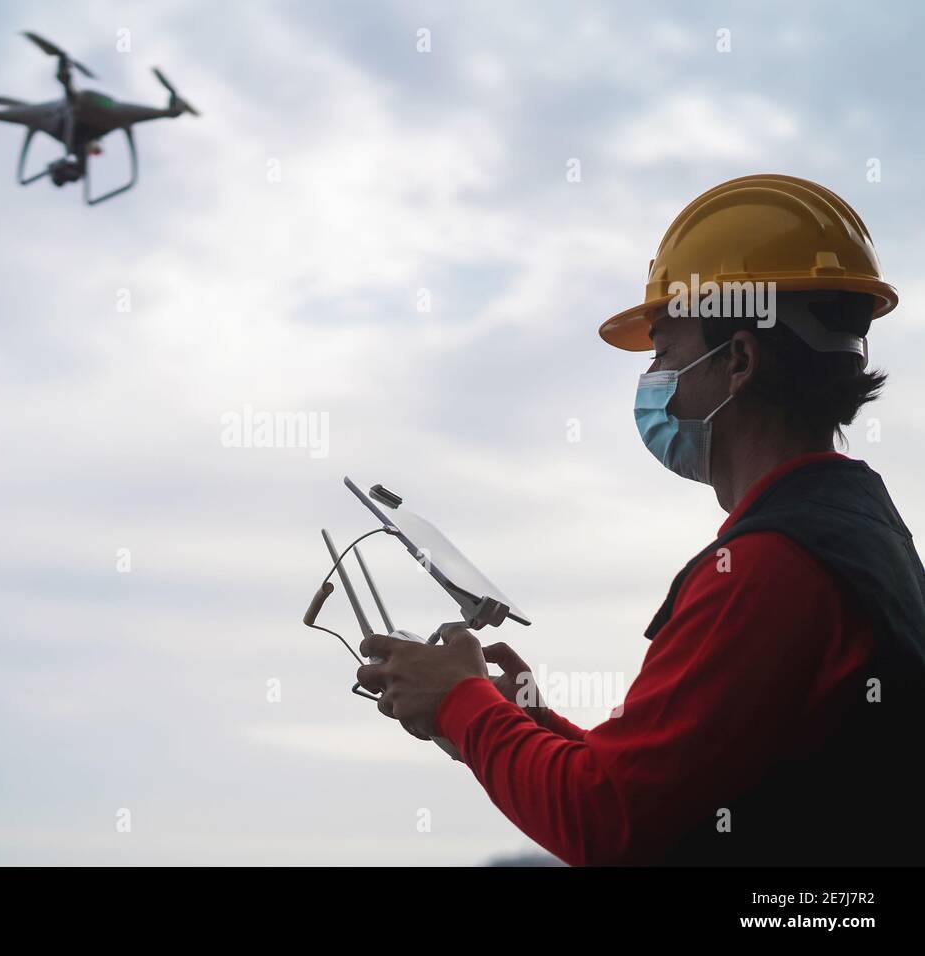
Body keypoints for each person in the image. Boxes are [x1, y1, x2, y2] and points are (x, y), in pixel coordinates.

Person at [356, 174, 925, 865]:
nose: (652, 376)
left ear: (739, 359)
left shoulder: (769, 566)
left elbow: (609, 825)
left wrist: (459, 703)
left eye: (663, 348)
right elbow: (662, 794)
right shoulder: (857, 534)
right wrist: (517, 720)